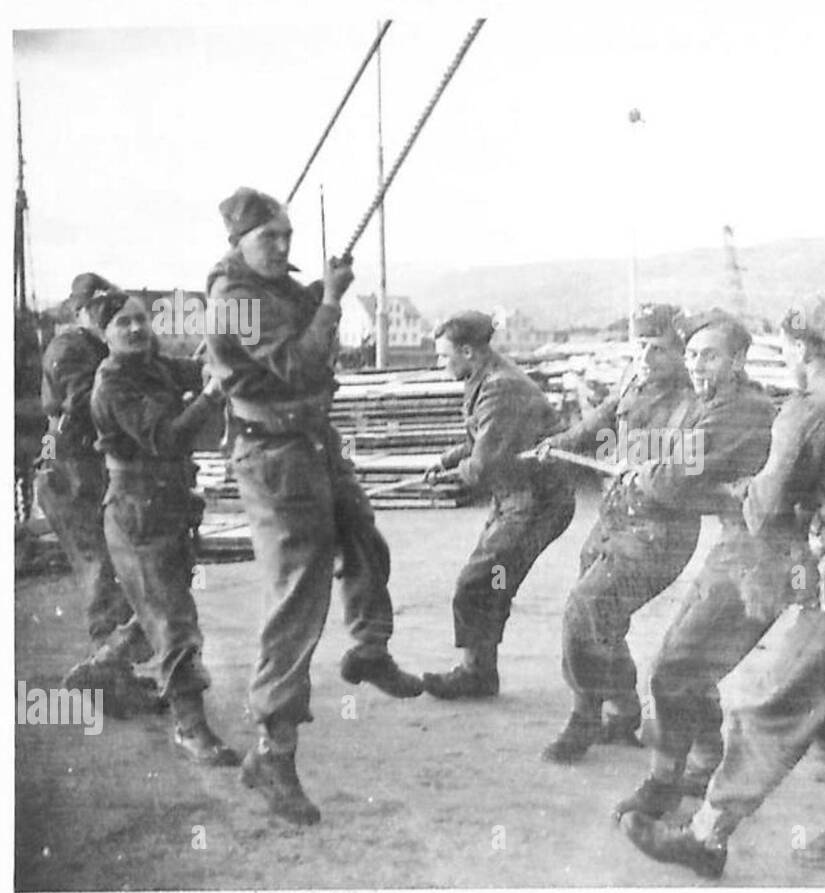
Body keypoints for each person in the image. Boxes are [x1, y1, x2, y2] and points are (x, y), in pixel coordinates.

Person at [619, 293, 825, 878]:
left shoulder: (806, 409)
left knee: (769, 706)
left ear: (797, 348)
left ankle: (706, 837)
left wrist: (727, 491)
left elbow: (765, 512)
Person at [206, 187, 424, 826]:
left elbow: (303, 316)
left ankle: (369, 649)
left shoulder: (270, 290)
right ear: (238, 245)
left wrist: (323, 291)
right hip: (274, 457)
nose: (281, 247)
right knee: (299, 595)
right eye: (268, 239)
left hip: (309, 442)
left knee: (362, 539)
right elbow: (301, 364)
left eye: (286, 236)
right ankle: (274, 752)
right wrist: (330, 299)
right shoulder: (237, 302)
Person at [611, 310, 779, 821]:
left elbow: (676, 476)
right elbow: (681, 464)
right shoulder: (719, 404)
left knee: (674, 667)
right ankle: (705, 761)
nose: (697, 365)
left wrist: (647, 476)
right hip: (739, 544)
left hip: (762, 555)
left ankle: (665, 783)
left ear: (738, 360)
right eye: (692, 355)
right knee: (687, 662)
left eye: (710, 355)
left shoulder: (741, 410)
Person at [536, 306, 699, 761]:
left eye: (658, 348)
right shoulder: (635, 375)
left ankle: (585, 714)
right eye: (640, 345)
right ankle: (623, 708)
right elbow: (606, 416)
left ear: (681, 350)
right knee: (598, 613)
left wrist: (648, 468)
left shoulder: (695, 401)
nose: (645, 356)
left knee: (585, 607)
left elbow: (688, 469)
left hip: (659, 528)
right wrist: (562, 443)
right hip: (615, 516)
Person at [89, 292, 238, 764]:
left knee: (158, 603)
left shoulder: (153, 366)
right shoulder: (113, 381)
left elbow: (196, 368)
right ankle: (191, 726)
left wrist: (223, 352)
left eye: (140, 320)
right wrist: (212, 394)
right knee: (174, 618)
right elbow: (168, 437)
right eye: (122, 324)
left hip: (170, 506)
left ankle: (106, 664)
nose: (135, 329)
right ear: (104, 334)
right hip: (137, 510)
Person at [422, 311, 576, 699]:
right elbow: (484, 438)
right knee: (492, 581)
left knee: (478, 582)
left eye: (444, 356)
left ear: (469, 352)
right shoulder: (484, 377)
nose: (440, 363)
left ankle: (476, 674)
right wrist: (447, 459)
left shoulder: (501, 387)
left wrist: (457, 473)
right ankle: (480, 673)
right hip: (516, 498)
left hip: (536, 504)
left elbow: (486, 463)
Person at [37, 272, 157, 714]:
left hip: (90, 470)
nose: (107, 315)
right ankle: (107, 680)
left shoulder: (102, 346)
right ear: (80, 311)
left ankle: (115, 672)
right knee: (102, 571)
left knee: (120, 570)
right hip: (68, 474)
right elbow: (84, 400)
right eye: (98, 308)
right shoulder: (68, 348)